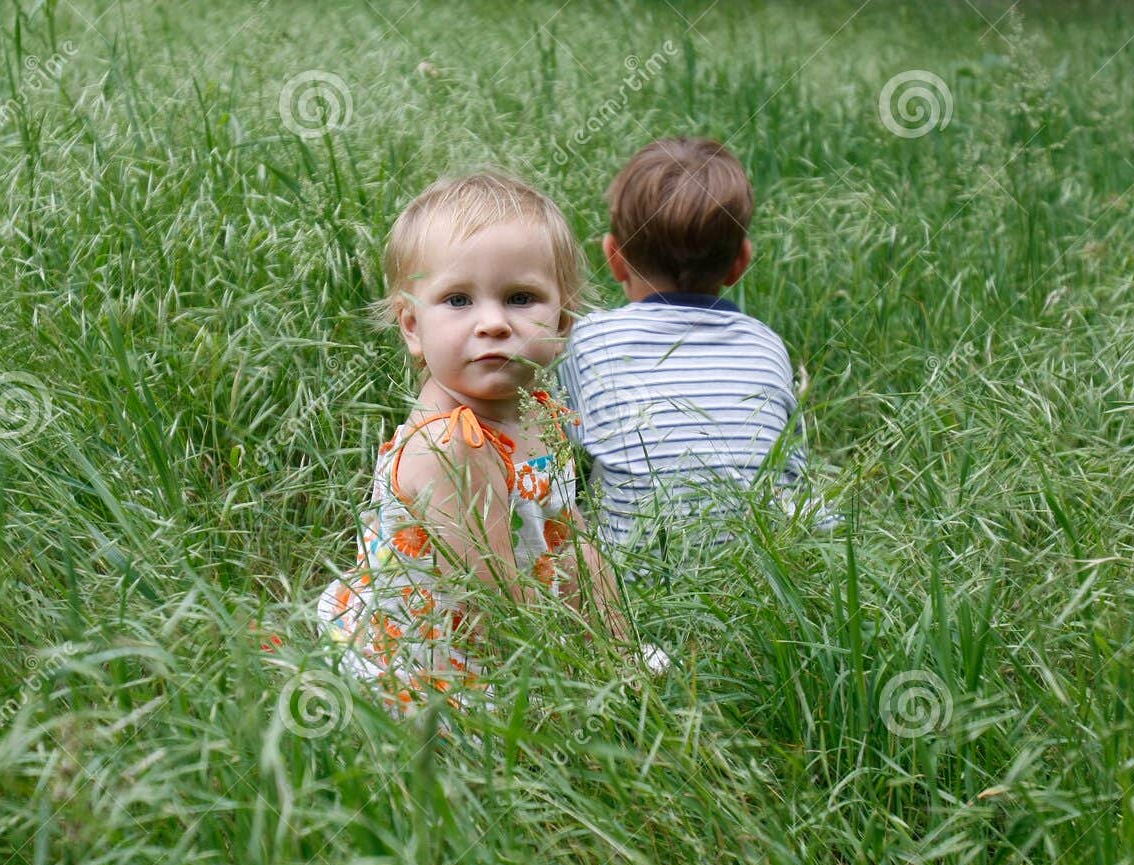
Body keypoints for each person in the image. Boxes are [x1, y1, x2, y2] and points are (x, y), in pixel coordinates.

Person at [317, 171, 634, 711]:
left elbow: (574, 542)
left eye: (520, 298)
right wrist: (566, 683)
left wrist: (618, 648)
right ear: (413, 327)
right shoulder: (449, 446)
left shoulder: (537, 414)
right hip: (439, 654)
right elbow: (489, 599)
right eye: (459, 300)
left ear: (565, 319)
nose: (493, 323)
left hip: (512, 616)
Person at [554, 137, 839, 574]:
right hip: (758, 580)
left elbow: (561, 447)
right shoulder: (767, 346)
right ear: (740, 262)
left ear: (614, 257)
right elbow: (791, 476)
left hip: (624, 583)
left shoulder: (588, 339)